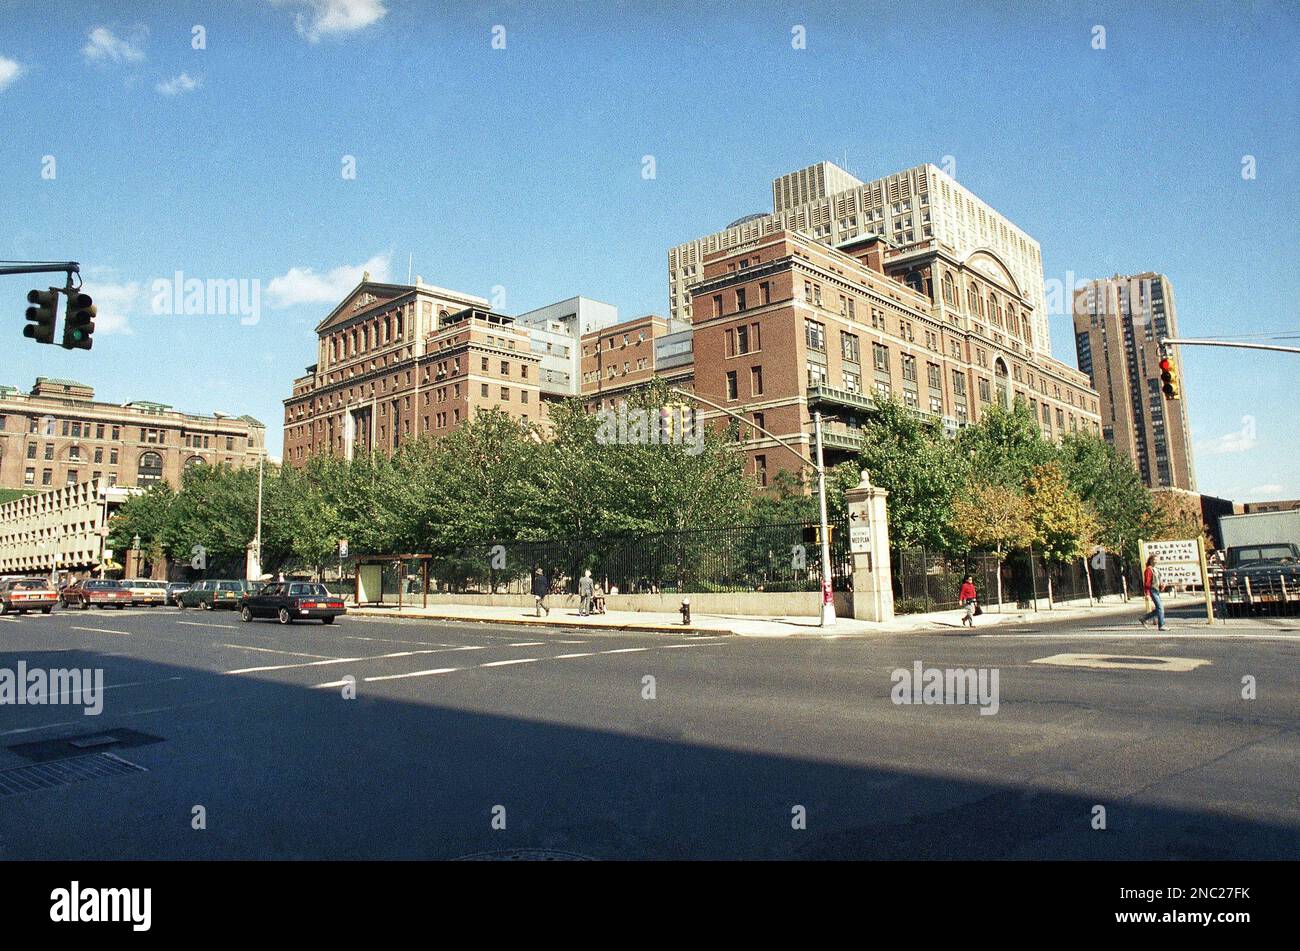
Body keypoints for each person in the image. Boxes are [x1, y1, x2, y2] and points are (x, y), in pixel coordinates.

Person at [1139, 554, 1168, 630]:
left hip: (1156, 590)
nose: (1156, 561)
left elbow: (1158, 581)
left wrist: (1162, 586)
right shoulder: (1149, 570)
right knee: (1160, 608)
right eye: (1155, 559)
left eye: (1157, 559)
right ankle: (1161, 625)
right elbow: (1147, 583)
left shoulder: (1156, 569)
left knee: (1159, 608)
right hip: (1152, 590)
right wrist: (1147, 593)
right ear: (1151, 560)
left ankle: (1144, 618)